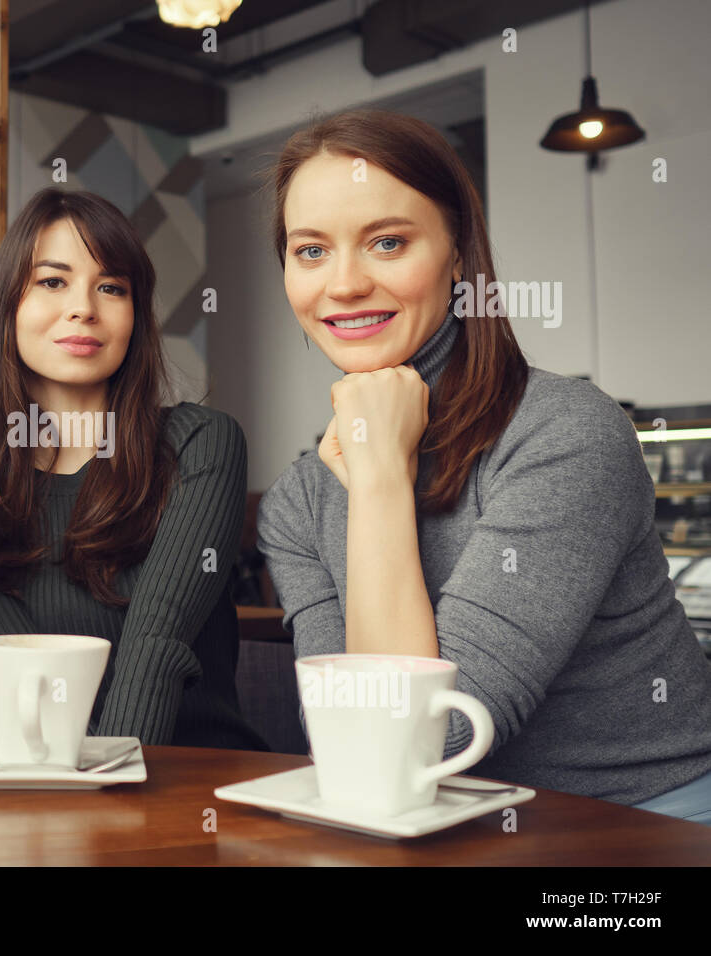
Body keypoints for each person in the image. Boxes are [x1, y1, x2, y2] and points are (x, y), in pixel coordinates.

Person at [256, 108, 711, 823]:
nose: (341, 285)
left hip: (639, 827)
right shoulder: (297, 503)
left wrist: (378, 485)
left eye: (387, 241)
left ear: (459, 254)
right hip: (438, 832)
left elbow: (427, 744)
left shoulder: (565, 434)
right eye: (311, 251)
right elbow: (361, 746)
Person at [0, 188, 267, 751]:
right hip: (53, 792)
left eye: (111, 287)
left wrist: (106, 787)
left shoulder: (200, 444)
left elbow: (157, 647)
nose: (84, 307)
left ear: (134, 317)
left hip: (202, 788)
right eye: (52, 281)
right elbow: (28, 683)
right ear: (9, 306)